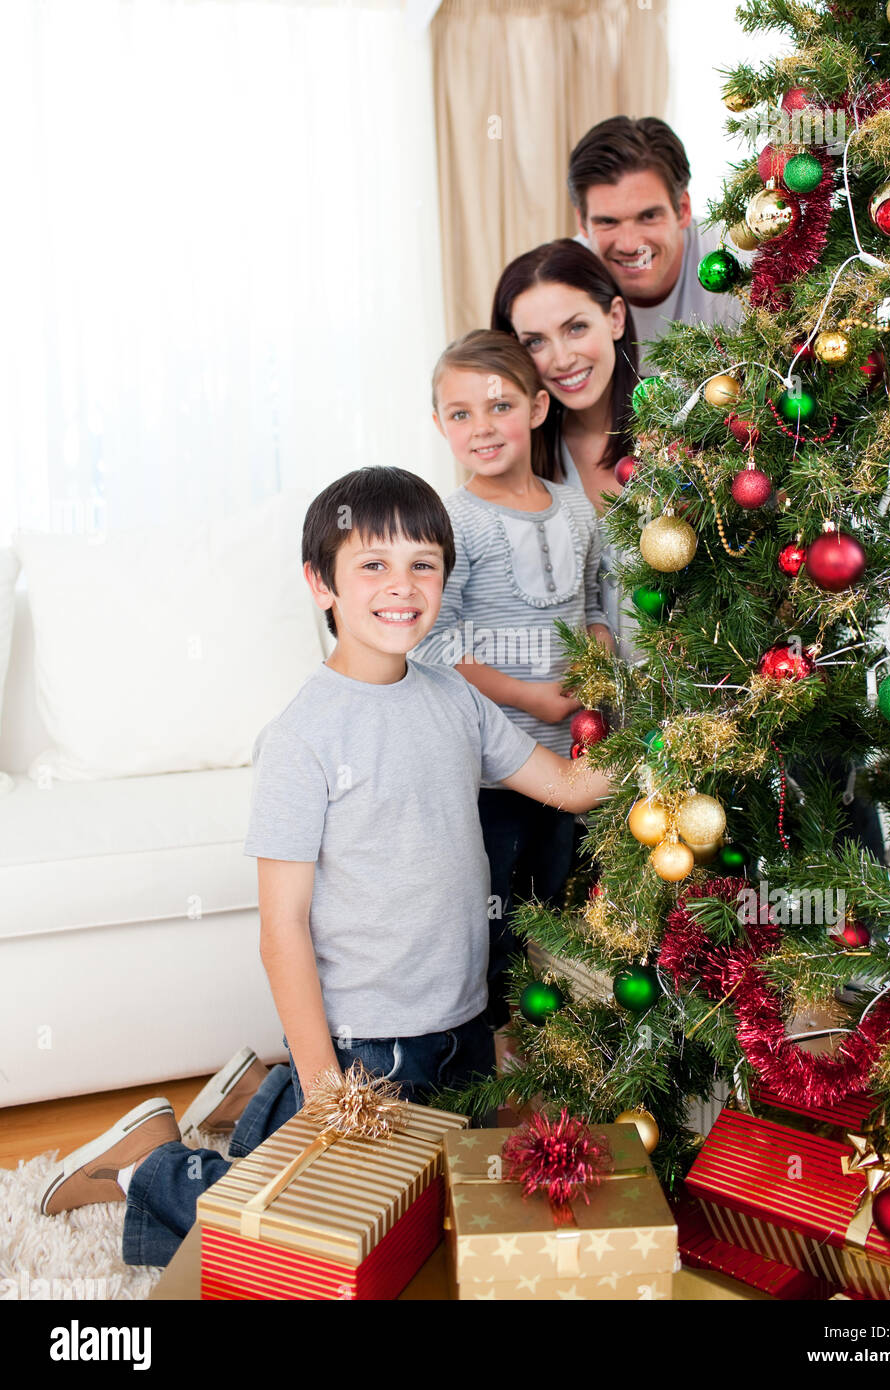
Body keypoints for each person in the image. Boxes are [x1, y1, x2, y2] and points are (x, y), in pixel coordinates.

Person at [39, 466, 611, 1267]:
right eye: (372, 565)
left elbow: (569, 786)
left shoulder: (456, 699)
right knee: (318, 1242)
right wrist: (322, 1082)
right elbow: (282, 930)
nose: (401, 586)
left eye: (423, 564)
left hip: (463, 1033)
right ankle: (151, 1166)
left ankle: (252, 1099)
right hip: (364, 1051)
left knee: (434, 1227)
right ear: (322, 583)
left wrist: (673, 743)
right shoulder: (304, 735)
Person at [412, 330, 611, 1029]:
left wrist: (602, 665)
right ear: (439, 426)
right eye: (459, 414)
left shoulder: (576, 507)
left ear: (537, 407)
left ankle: (558, 1042)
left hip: (572, 759)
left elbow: (591, 606)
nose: (481, 427)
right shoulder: (451, 523)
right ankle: (492, 1048)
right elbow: (438, 640)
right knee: (495, 906)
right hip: (492, 769)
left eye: (498, 406)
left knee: (561, 902)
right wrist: (528, 696)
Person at [491, 239, 642, 661]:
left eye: (576, 328)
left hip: (707, 704)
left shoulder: (686, 420)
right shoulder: (515, 461)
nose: (561, 359)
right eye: (535, 342)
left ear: (614, 318)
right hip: (579, 715)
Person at [568, 115, 743, 348]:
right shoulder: (560, 282)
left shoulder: (739, 262)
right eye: (608, 221)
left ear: (683, 210)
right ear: (583, 223)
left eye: (649, 216)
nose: (630, 245)